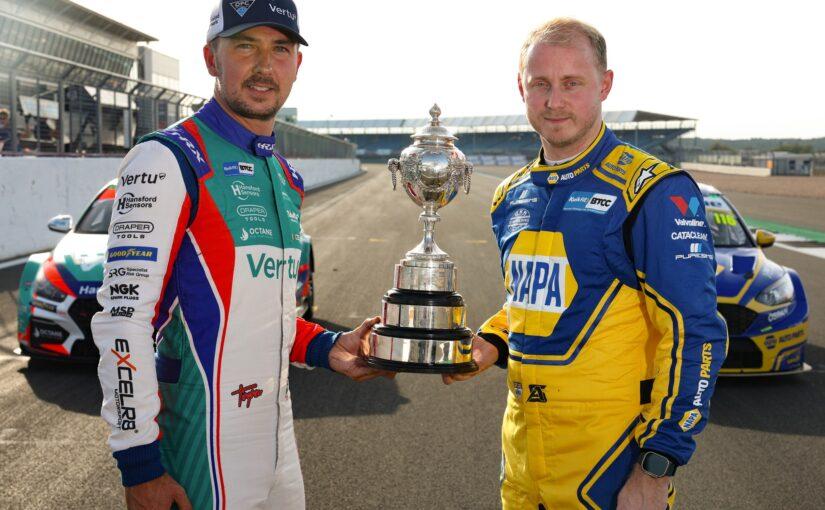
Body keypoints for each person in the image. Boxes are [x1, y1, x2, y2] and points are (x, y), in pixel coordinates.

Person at [91, 1, 392, 508]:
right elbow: (123, 320)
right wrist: (139, 464)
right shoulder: (166, 158)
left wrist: (328, 347)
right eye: (246, 46)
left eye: (280, 49)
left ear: (297, 64)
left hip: (277, 437)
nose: (264, 65)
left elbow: (262, 314)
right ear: (212, 58)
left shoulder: (284, 175)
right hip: (201, 440)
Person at [442, 18, 728, 509]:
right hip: (522, 456)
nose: (554, 101)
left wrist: (657, 465)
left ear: (605, 85)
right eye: (541, 84)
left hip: (612, 465)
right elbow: (529, 304)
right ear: (522, 89)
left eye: (572, 83)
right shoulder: (511, 195)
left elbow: (695, 332)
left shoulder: (652, 190)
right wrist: (491, 342)